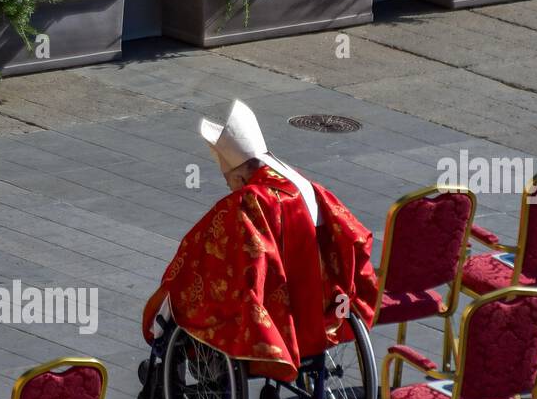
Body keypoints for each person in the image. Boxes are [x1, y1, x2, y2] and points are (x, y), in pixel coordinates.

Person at [141, 100, 377, 382]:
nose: (229, 186)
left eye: (229, 180)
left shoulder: (248, 201)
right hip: (324, 296)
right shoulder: (300, 183)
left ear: (240, 176)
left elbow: (216, 255)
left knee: (188, 292)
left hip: (276, 305)